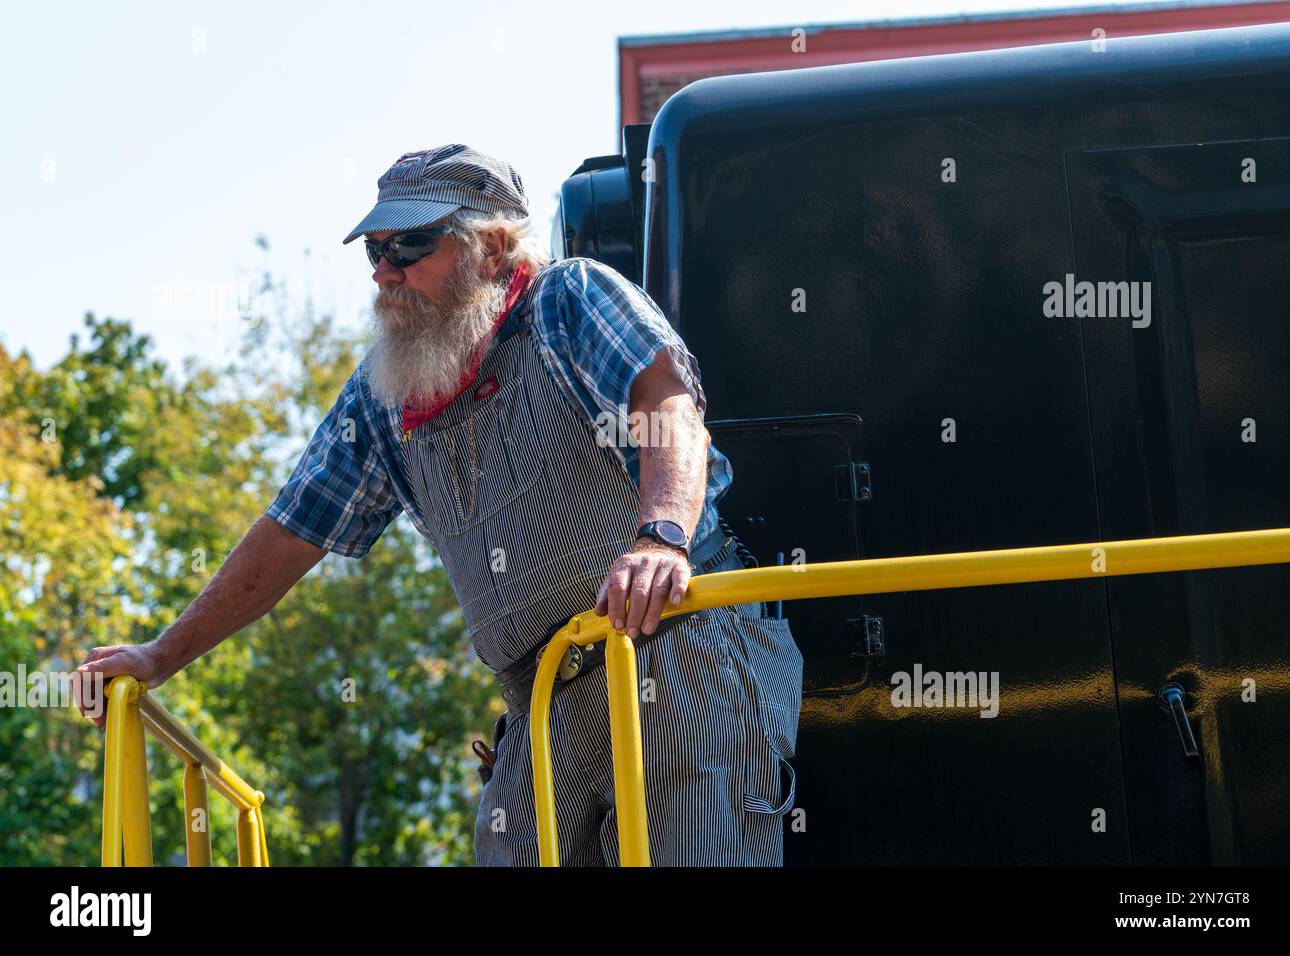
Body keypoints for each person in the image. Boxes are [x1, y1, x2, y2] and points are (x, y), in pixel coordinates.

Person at [77, 144, 803, 866]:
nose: (384, 272)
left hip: (669, 654)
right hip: (541, 699)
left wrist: (662, 536)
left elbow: (667, 403)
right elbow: (291, 531)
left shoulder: (569, 300)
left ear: (490, 249)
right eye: (374, 250)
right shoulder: (382, 393)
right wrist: (159, 655)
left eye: (411, 245)